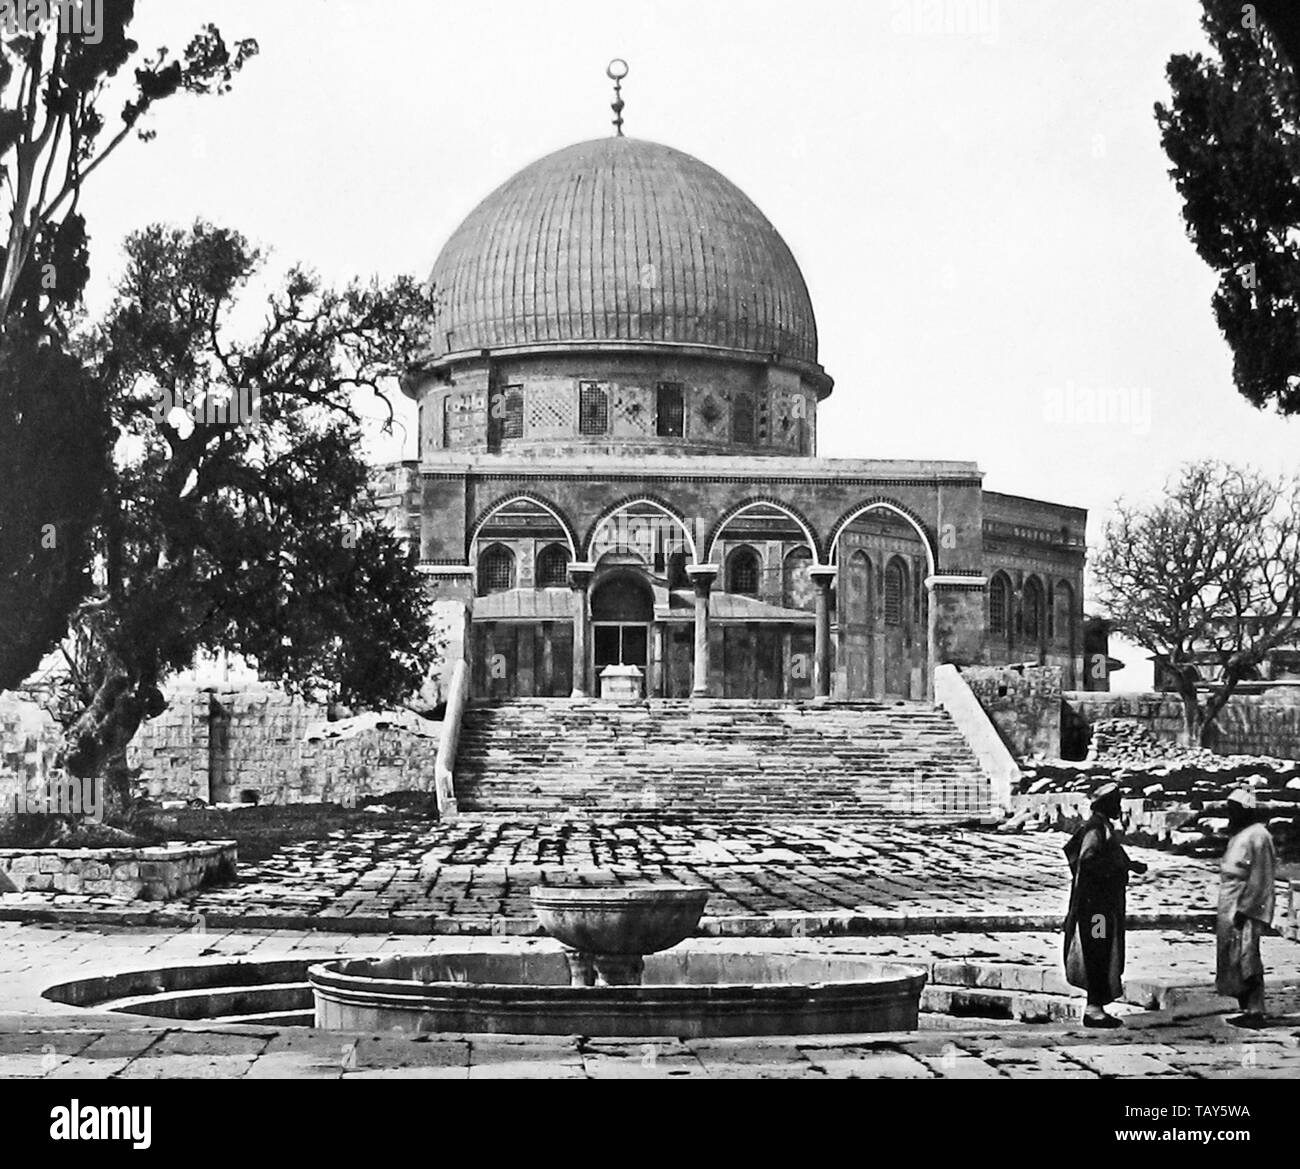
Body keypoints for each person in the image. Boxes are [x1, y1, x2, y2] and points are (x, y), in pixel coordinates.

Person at [1063, 782, 1148, 1027]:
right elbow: (1089, 862)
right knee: (1098, 950)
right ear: (1107, 804)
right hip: (1096, 909)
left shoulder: (1102, 827)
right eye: (1116, 802)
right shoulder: (1096, 829)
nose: (1119, 807)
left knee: (1101, 949)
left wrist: (1130, 865)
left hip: (1101, 905)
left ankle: (1096, 1006)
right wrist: (1119, 869)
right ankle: (1094, 1009)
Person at [1216, 790, 1277, 1028]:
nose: (1230, 814)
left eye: (1234, 809)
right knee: (1232, 956)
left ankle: (1256, 1008)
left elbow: (1261, 876)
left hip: (1244, 904)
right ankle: (1245, 1006)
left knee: (1247, 956)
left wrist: (1247, 907)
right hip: (1230, 901)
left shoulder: (1259, 835)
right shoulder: (1241, 834)